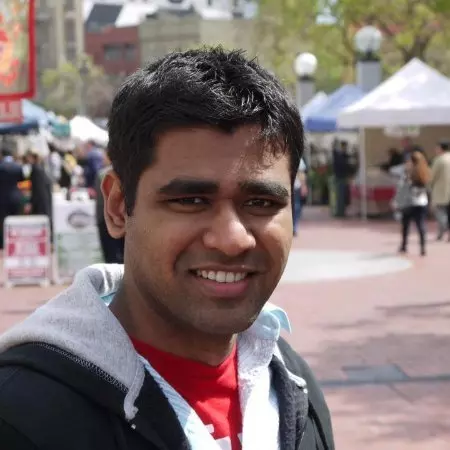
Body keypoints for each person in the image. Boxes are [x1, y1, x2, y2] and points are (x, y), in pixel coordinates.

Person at [0, 48, 334, 450]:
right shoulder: (22, 417)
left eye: (261, 203)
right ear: (119, 207)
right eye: (190, 200)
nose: (231, 238)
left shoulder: (294, 386)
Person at [393, 151, 430, 256]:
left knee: (405, 226)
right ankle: (423, 248)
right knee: (421, 225)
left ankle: (404, 246)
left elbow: (402, 188)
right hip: (421, 202)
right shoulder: (425, 172)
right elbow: (428, 188)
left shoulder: (408, 173)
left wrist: (397, 201)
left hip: (408, 202)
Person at [95, 155, 125, 263]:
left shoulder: (102, 174)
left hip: (106, 218)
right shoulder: (125, 172)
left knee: (110, 255)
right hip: (118, 217)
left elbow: (99, 202)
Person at [0, 148, 24, 249]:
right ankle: (15, 242)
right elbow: (21, 180)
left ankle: (3, 244)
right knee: (16, 220)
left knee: (3, 222)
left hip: (2, 198)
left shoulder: (1, 167)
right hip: (16, 197)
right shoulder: (18, 167)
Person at [429, 140, 450, 241]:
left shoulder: (439, 160)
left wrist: (429, 186)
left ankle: (443, 231)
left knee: (441, 213)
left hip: (441, 190)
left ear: (441, 148)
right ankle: (443, 234)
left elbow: (432, 176)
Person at [332, 140, 350, 217]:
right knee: (340, 195)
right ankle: (340, 212)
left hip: (341, 176)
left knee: (341, 195)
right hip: (340, 176)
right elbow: (343, 166)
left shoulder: (342, 155)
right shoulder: (339, 155)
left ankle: (341, 211)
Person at [293, 158, 308, 236]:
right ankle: (293, 227)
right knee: (295, 206)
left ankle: (294, 227)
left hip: (295, 186)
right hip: (291, 187)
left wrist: (303, 186)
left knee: (295, 206)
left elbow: (301, 174)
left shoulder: (299, 159)